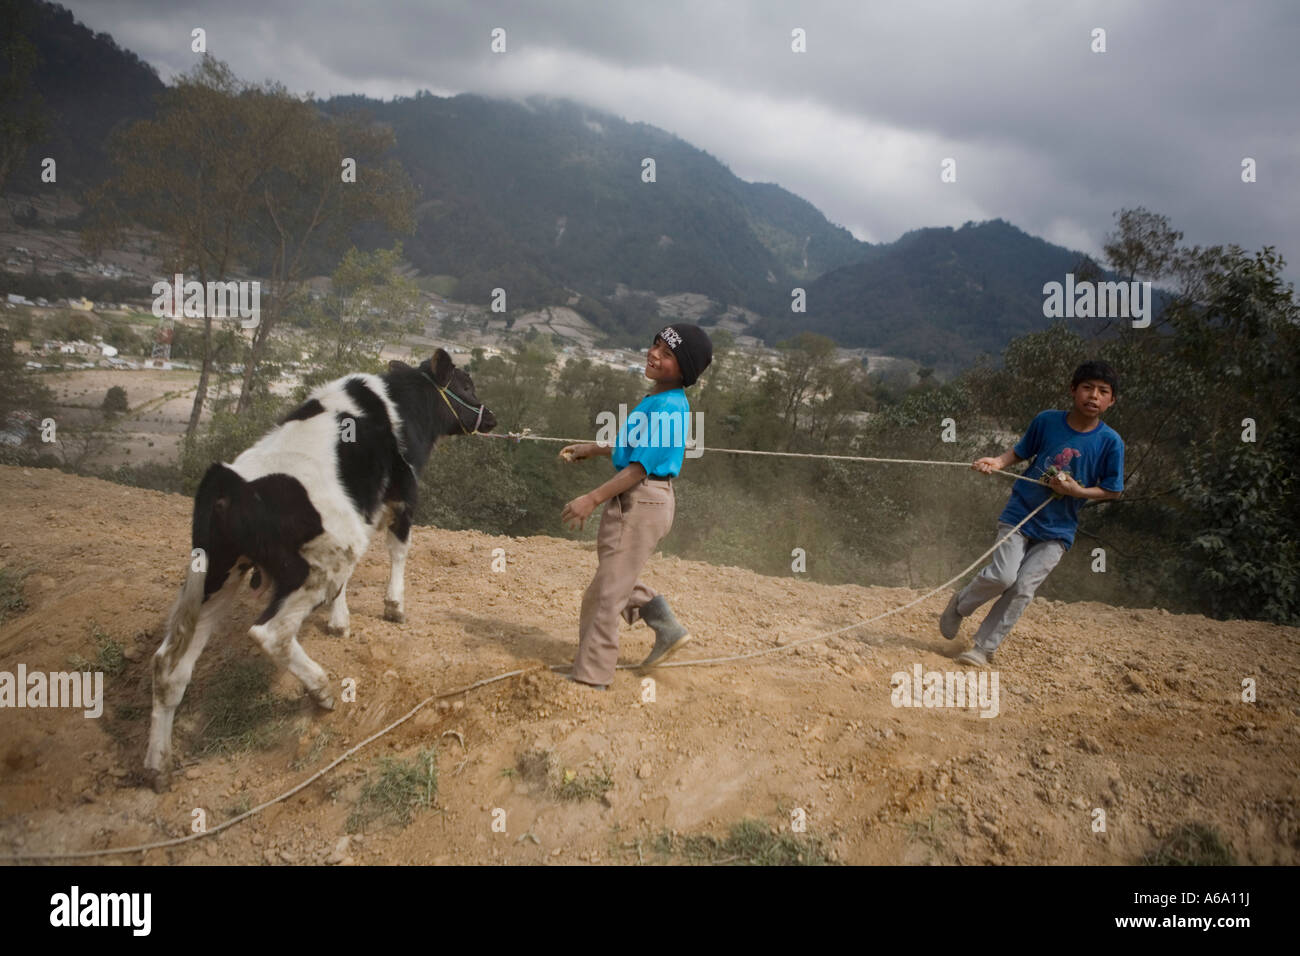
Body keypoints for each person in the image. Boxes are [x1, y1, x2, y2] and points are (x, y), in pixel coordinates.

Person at [940, 360, 1125, 667]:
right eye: (1087, 387)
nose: (1093, 396)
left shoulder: (1111, 442)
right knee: (1002, 576)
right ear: (1073, 390)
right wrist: (998, 462)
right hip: (1021, 513)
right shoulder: (1047, 421)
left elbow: (1113, 490)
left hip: (1059, 529)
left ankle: (983, 648)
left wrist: (1078, 492)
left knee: (1023, 587)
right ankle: (960, 605)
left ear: (1111, 400)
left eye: (1102, 391)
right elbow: (1021, 451)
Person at [559, 324, 713, 689]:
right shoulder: (658, 400)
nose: (655, 354)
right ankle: (665, 625)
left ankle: (591, 678)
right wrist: (592, 448)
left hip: (643, 498)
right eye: (656, 344)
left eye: (668, 353)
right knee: (614, 574)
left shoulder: (670, 408)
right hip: (639, 497)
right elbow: (632, 444)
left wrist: (591, 499)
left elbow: (640, 467)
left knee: (606, 594)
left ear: (684, 369)